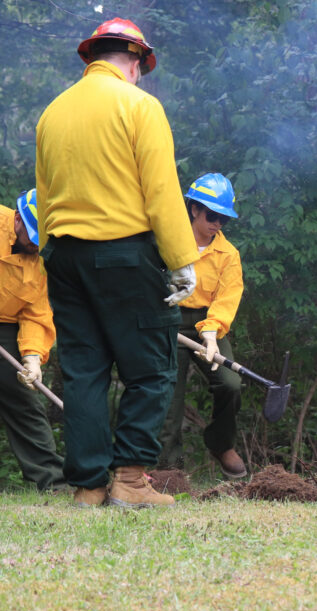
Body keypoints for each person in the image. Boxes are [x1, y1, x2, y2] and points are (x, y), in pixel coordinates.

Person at [35, 18, 199, 507]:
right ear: (133, 62)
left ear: (93, 58)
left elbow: (43, 196)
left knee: (84, 372)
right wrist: (180, 259)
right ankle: (129, 480)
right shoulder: (139, 104)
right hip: (126, 253)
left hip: (64, 255)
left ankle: (87, 487)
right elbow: (162, 190)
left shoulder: (52, 113)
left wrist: (52, 252)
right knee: (151, 368)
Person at [158, 173, 246, 479]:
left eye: (223, 218)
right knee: (169, 395)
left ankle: (221, 444)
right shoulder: (168, 241)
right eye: (212, 215)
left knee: (230, 384)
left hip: (208, 323)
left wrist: (210, 332)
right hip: (168, 321)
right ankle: (169, 470)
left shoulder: (228, 254)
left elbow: (228, 297)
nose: (217, 224)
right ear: (194, 209)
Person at [0, 189, 65, 491]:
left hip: (7, 328)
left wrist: (32, 358)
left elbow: (36, 313)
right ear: (17, 218)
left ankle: (50, 480)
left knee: (24, 399)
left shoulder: (39, 261)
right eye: (32, 235)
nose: (35, 244)